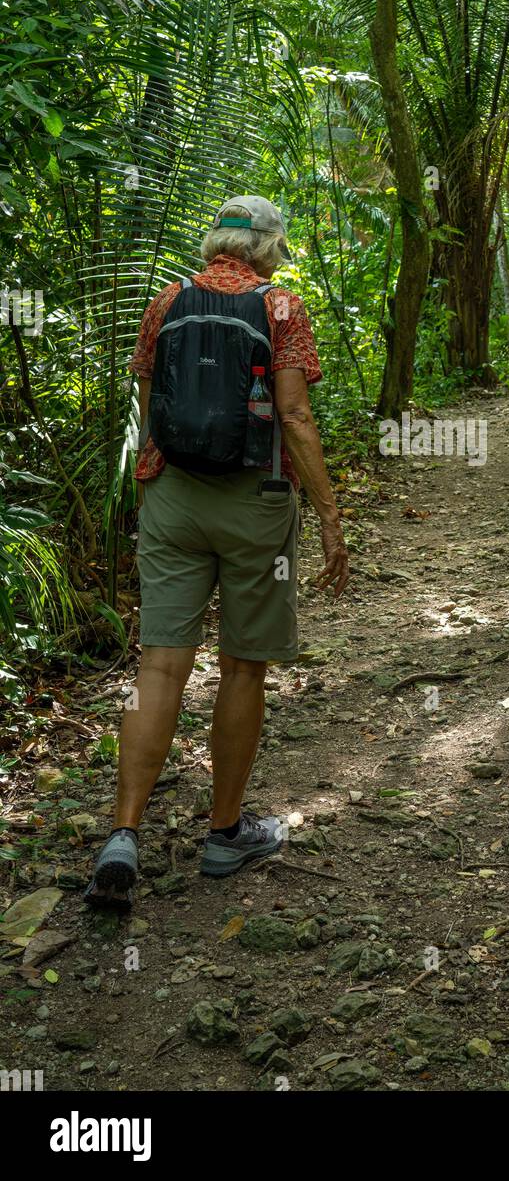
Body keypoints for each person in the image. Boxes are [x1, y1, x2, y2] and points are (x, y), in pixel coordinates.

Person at [85, 195, 349, 907]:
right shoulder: (281, 309)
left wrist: (154, 484)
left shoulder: (167, 301)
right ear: (267, 249)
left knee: (161, 663)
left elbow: (146, 401)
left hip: (172, 496)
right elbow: (292, 414)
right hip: (255, 502)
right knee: (242, 665)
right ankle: (225, 833)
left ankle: (123, 836)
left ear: (216, 244)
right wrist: (328, 515)